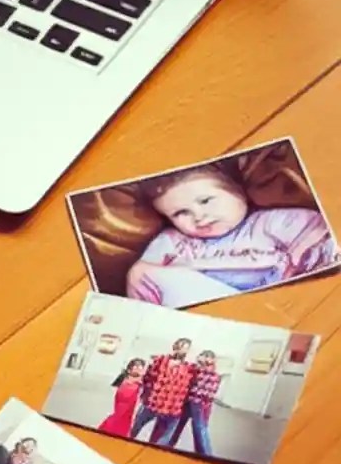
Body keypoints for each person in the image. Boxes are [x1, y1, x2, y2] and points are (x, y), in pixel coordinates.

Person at [125, 165, 338, 307]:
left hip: (280, 303)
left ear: (238, 192)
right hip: (209, 313)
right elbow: (143, 277)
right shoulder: (175, 240)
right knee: (143, 273)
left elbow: (325, 252)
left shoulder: (277, 222)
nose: (199, 217)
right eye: (181, 213)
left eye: (206, 200)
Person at [130, 339, 194, 443]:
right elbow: (148, 377)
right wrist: (146, 395)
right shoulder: (160, 360)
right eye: (180, 346)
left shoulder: (189, 368)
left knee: (163, 437)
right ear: (175, 347)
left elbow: (189, 386)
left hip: (171, 407)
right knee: (136, 426)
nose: (182, 350)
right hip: (153, 402)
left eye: (186, 348)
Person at [161, 349, 221, 454]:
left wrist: (191, 390)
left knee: (200, 428)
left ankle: (206, 454)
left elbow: (207, 394)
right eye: (203, 356)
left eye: (208, 357)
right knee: (178, 424)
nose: (204, 360)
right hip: (187, 401)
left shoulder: (212, 374)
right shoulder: (195, 369)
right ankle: (168, 445)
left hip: (199, 404)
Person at [98, 358, 145, 437]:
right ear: (129, 370)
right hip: (121, 420)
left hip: (125, 421)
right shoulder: (129, 385)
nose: (139, 368)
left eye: (141, 367)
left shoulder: (136, 384)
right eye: (137, 367)